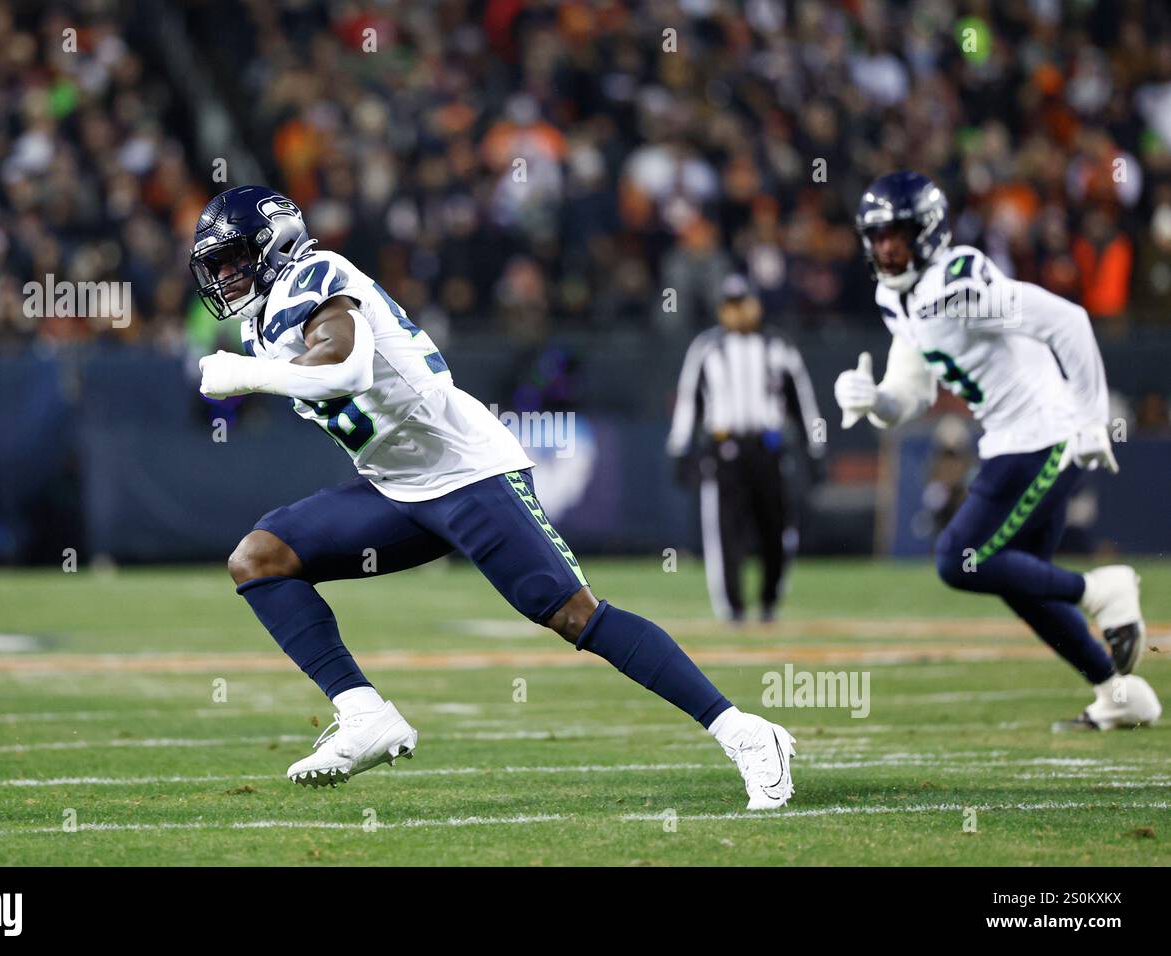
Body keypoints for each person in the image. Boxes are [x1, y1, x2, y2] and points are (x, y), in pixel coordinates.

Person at [189, 185, 796, 806]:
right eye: (218, 267)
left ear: (274, 242)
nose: (227, 278)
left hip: (469, 472)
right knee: (260, 557)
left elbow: (347, 370)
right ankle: (364, 713)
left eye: (234, 259)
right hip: (396, 485)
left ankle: (746, 733)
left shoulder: (314, 274)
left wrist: (249, 376)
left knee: (573, 615)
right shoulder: (265, 320)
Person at [835, 170, 1160, 731]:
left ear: (928, 233)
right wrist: (874, 400)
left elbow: (1068, 321)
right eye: (878, 236)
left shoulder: (957, 283)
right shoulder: (897, 299)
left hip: (1045, 434)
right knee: (1018, 580)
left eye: (899, 234)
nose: (887, 248)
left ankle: (1102, 589)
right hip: (1012, 440)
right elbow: (912, 392)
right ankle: (1120, 693)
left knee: (958, 559)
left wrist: (1089, 416)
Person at [667, 274, 824, 623]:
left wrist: (816, 448)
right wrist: (680, 449)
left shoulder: (779, 347)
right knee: (725, 533)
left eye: (742, 304)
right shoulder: (707, 348)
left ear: (756, 304)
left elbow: (804, 403)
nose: (737, 313)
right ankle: (732, 609)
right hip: (724, 450)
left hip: (768, 449)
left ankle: (770, 601)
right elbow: (688, 403)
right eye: (730, 305)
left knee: (777, 529)